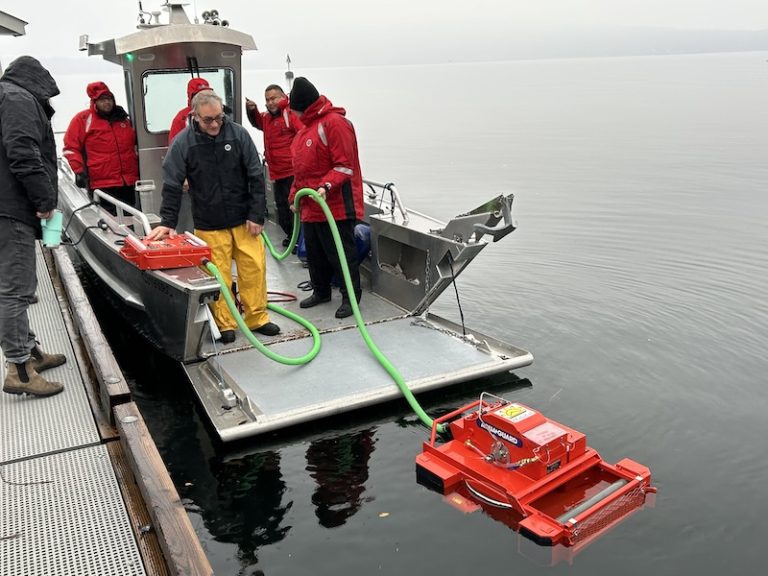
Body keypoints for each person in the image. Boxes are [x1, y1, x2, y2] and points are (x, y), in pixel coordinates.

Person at [146, 90, 280, 343]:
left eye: (219, 117)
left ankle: (257, 318)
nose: (216, 124)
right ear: (195, 116)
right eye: (208, 120)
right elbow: (172, 183)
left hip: (244, 220)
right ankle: (225, 322)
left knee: (254, 269)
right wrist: (167, 222)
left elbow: (255, 176)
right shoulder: (184, 142)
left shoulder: (239, 134)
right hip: (210, 223)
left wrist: (257, 215)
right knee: (218, 276)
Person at [0, 55, 67, 397]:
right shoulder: (19, 99)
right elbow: (23, 152)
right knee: (15, 291)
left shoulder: (7, 96)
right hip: (10, 210)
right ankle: (20, 369)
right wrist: (45, 201)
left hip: (6, 206)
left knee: (16, 286)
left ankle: (31, 351)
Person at [287, 77, 364, 319]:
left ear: (304, 106)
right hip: (311, 207)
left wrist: (326, 186)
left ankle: (350, 298)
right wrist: (293, 196)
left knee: (341, 254)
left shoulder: (335, 123)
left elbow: (345, 165)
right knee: (315, 253)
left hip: (336, 206)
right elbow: (300, 172)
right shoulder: (304, 131)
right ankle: (321, 291)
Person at [63, 81, 139, 212]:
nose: (107, 103)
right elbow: (71, 147)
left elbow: (135, 144)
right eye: (102, 100)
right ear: (94, 101)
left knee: (130, 217)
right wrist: (78, 170)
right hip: (102, 183)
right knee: (108, 219)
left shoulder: (123, 120)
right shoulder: (83, 119)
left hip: (127, 181)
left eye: (109, 99)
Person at [245, 85, 303, 247]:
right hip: (277, 173)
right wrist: (251, 110)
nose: (270, 103)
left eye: (274, 98)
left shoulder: (290, 115)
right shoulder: (267, 118)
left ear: (283, 97)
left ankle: (297, 239)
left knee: (293, 209)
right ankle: (292, 236)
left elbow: (303, 135)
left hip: (292, 172)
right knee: (282, 209)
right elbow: (257, 122)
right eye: (267, 100)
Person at [168, 76, 211, 145]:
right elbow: (174, 146)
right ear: (191, 97)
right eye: (199, 95)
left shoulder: (219, 113)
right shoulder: (182, 118)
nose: (203, 98)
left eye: (207, 94)